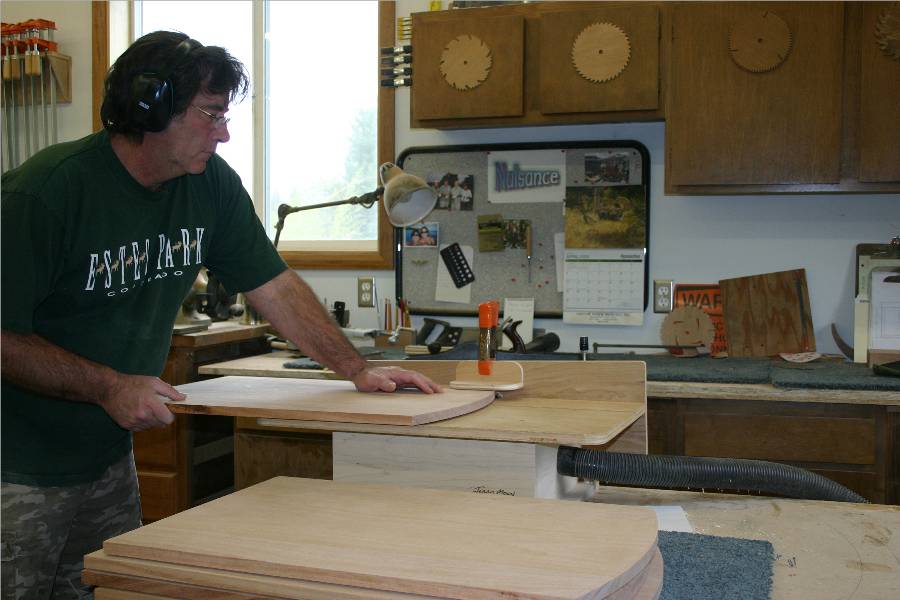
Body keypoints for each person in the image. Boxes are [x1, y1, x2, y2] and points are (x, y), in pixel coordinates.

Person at [0, 31, 440, 600]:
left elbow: (274, 285)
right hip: (19, 466)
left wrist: (356, 369)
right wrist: (110, 386)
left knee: (106, 592)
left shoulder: (209, 185)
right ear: (150, 108)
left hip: (106, 459)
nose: (225, 131)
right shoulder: (46, 194)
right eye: (210, 113)